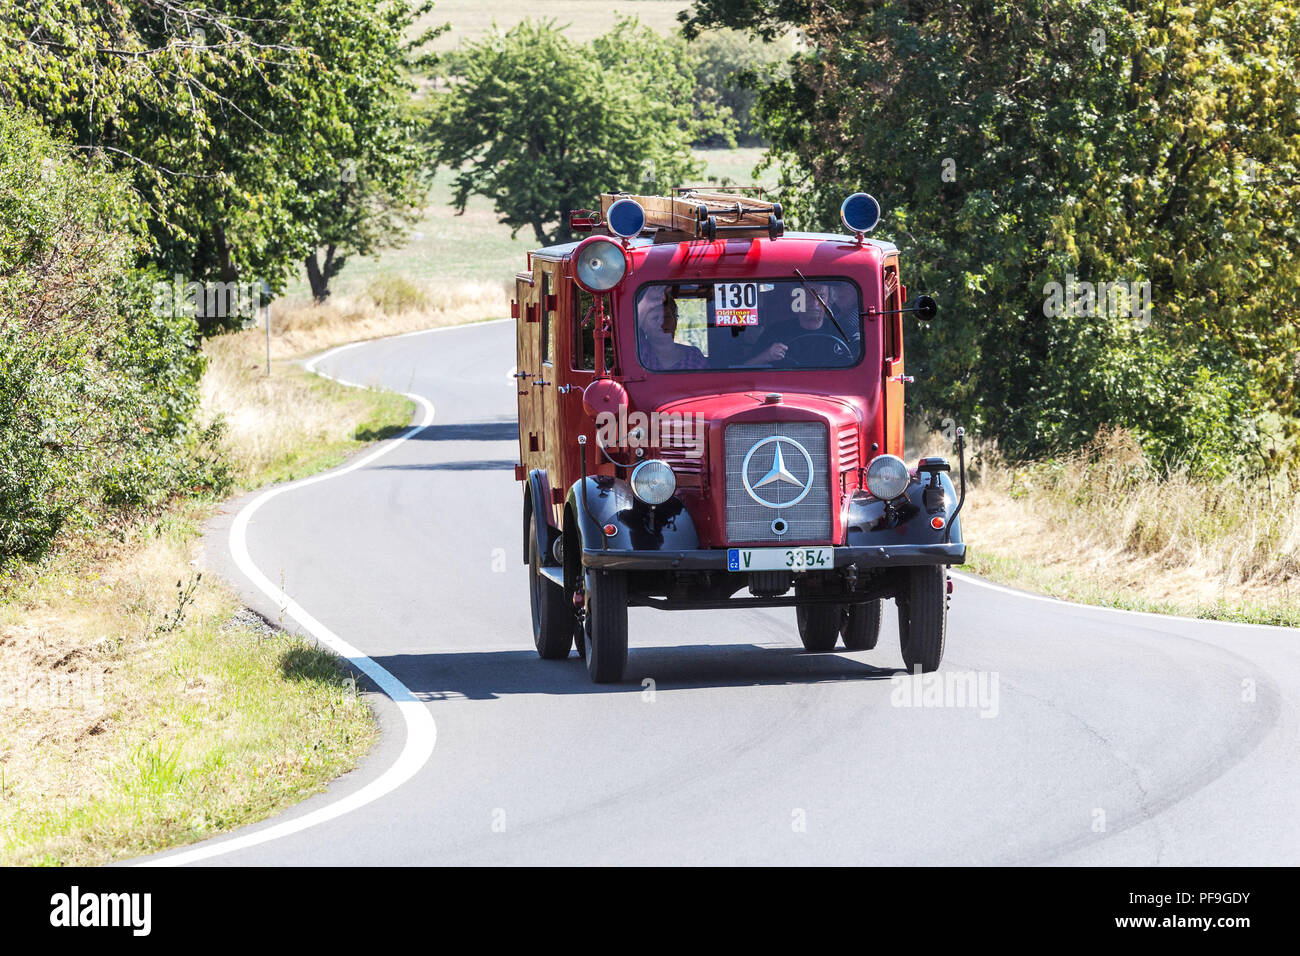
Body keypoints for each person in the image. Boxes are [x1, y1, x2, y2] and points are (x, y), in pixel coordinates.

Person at [742, 281, 858, 366]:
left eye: (821, 297)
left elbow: (860, 371)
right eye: (807, 297)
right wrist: (767, 355)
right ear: (797, 300)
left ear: (828, 301)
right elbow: (744, 367)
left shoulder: (842, 331)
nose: (814, 304)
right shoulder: (776, 332)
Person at [638, 293, 708, 371]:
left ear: (676, 321)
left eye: (666, 317)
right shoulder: (640, 352)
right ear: (643, 325)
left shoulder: (693, 355)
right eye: (655, 318)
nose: (662, 322)